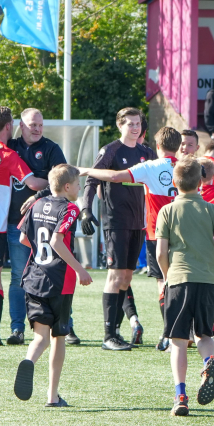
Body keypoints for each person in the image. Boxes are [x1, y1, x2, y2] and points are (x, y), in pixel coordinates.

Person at [0, 107, 69, 346]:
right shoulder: (9, 147)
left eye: (40, 125)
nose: (37, 129)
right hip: (16, 224)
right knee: (17, 276)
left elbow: (63, 179)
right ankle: (17, 329)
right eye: (32, 125)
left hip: (48, 222)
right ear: (19, 126)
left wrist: (39, 194)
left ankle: (64, 324)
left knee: (53, 273)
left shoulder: (52, 149)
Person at [79, 126, 183, 352]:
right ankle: (115, 334)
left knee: (155, 281)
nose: (135, 128)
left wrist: (86, 170)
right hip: (180, 233)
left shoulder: (150, 165)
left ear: (156, 146)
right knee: (126, 278)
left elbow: (115, 176)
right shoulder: (186, 168)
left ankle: (165, 335)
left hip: (157, 233)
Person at [155, 156, 214, 416]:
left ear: (174, 183)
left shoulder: (167, 210)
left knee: (178, 341)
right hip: (209, 279)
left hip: (179, 278)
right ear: (201, 182)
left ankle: (180, 395)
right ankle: (209, 361)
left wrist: (167, 276)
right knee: (204, 334)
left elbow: (160, 253)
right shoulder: (212, 209)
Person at [12, 164, 93, 406]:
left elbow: (23, 238)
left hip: (34, 278)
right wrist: (80, 269)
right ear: (67, 187)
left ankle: (29, 360)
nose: (80, 188)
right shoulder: (70, 209)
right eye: (78, 184)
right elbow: (57, 241)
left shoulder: (36, 205)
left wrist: (40, 252)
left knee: (41, 337)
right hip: (60, 282)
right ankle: (52, 396)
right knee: (58, 336)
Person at [81, 107, 156, 351]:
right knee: (115, 275)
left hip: (139, 223)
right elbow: (92, 179)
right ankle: (108, 335)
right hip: (115, 221)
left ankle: (117, 333)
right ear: (120, 126)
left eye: (137, 123)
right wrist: (86, 209)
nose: (135, 128)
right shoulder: (111, 150)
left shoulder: (147, 152)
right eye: (130, 124)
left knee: (126, 277)